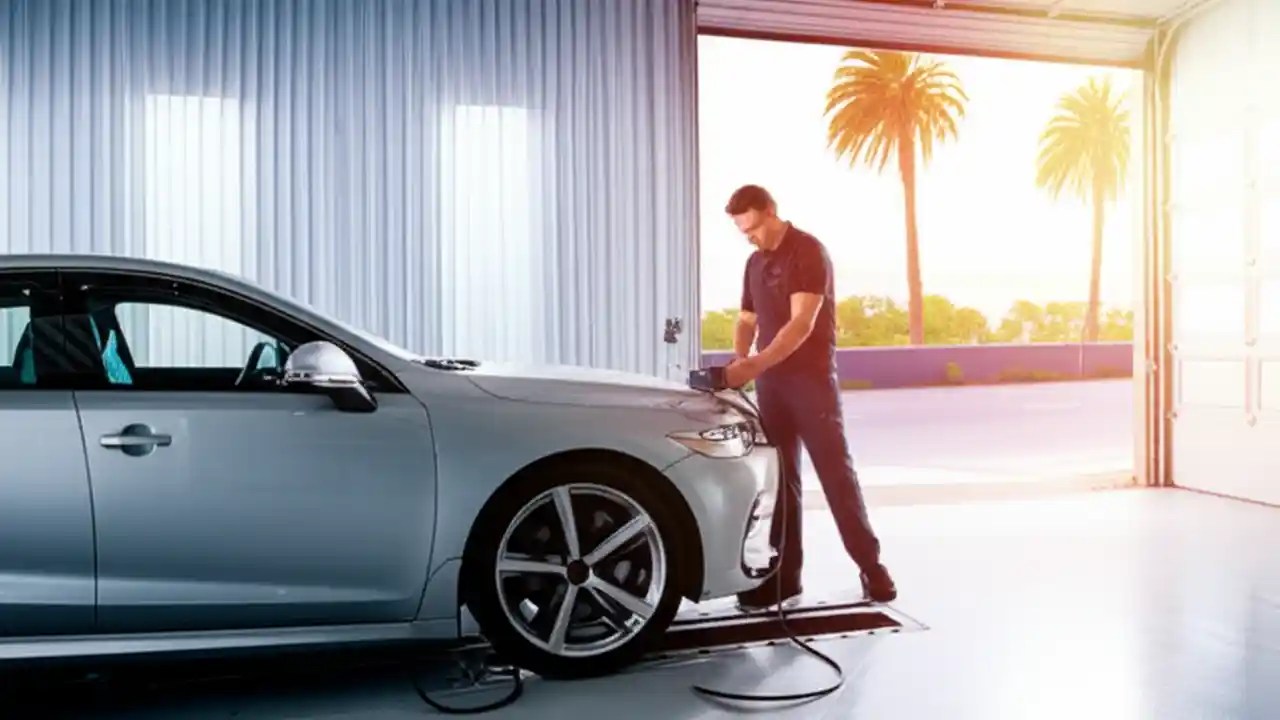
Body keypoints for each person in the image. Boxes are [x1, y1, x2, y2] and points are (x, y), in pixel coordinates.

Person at [721, 184, 897, 610]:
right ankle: (786, 579)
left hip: (811, 383)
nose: (751, 238)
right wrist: (741, 358)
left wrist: (754, 364)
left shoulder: (808, 251)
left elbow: (801, 323)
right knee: (782, 482)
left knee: (836, 475)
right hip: (772, 386)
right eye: (744, 232)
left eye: (754, 228)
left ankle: (871, 567)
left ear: (771, 211)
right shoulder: (754, 263)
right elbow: (746, 319)